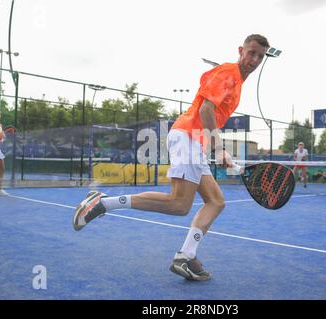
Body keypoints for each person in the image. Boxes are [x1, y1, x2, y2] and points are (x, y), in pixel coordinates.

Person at [72, 34, 270, 281]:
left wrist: (214, 148)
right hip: (188, 136)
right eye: (251, 53)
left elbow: (209, 116)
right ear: (240, 50)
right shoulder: (228, 72)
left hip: (195, 140)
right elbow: (206, 109)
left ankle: (185, 255)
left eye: (260, 56)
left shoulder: (238, 82)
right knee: (179, 204)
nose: (254, 59)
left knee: (216, 201)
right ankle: (102, 203)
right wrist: (219, 147)